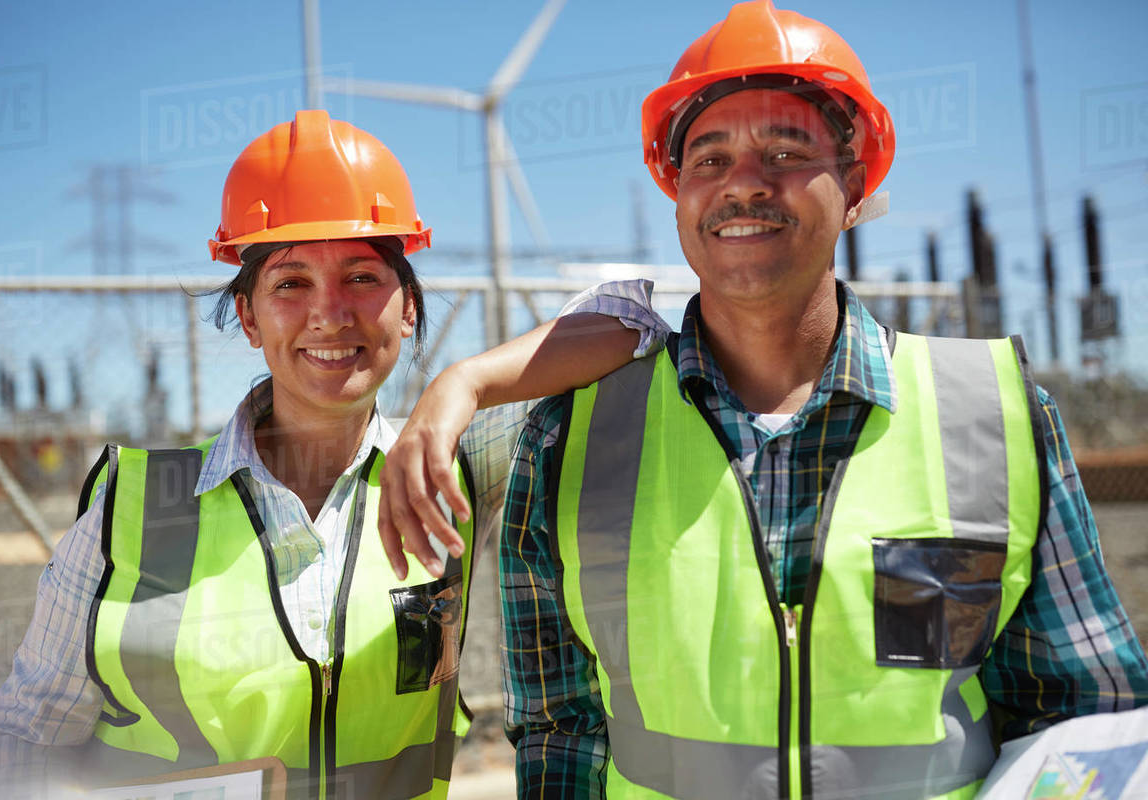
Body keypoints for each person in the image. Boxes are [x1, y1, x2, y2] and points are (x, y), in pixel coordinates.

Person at [382, 3, 1148, 798]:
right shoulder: (570, 437)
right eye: (709, 160)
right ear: (677, 193)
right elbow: (559, 734)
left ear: (855, 185)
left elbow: (1086, 718)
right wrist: (459, 381)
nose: (743, 182)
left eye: (784, 149)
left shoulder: (993, 418)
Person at [0, 110, 665, 800]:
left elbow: (632, 320)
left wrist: (465, 383)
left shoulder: (449, 470)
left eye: (363, 277)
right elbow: (24, 739)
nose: (330, 314)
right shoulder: (129, 507)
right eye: (291, 283)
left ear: (408, 308)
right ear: (248, 317)